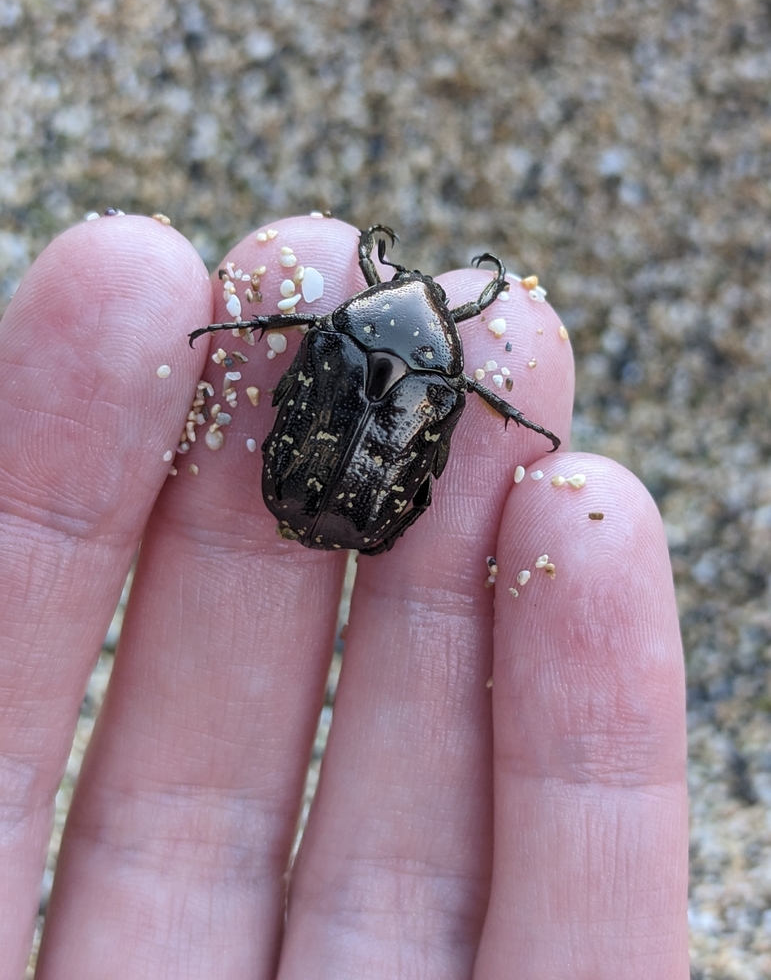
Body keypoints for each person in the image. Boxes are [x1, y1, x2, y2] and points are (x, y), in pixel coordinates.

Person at [0, 213, 689, 978]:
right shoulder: (439, 376)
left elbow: (297, 354)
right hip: (364, 511)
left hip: (295, 490)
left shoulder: (339, 331)